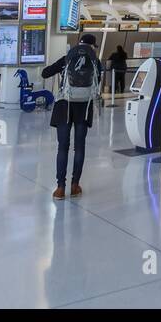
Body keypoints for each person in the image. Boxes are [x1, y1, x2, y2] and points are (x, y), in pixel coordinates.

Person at [41, 33, 102, 199]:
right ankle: (75, 186)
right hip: (84, 106)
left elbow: (45, 73)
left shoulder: (67, 58)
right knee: (79, 147)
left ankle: (60, 188)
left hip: (64, 106)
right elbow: (97, 82)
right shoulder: (96, 62)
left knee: (63, 147)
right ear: (92, 46)